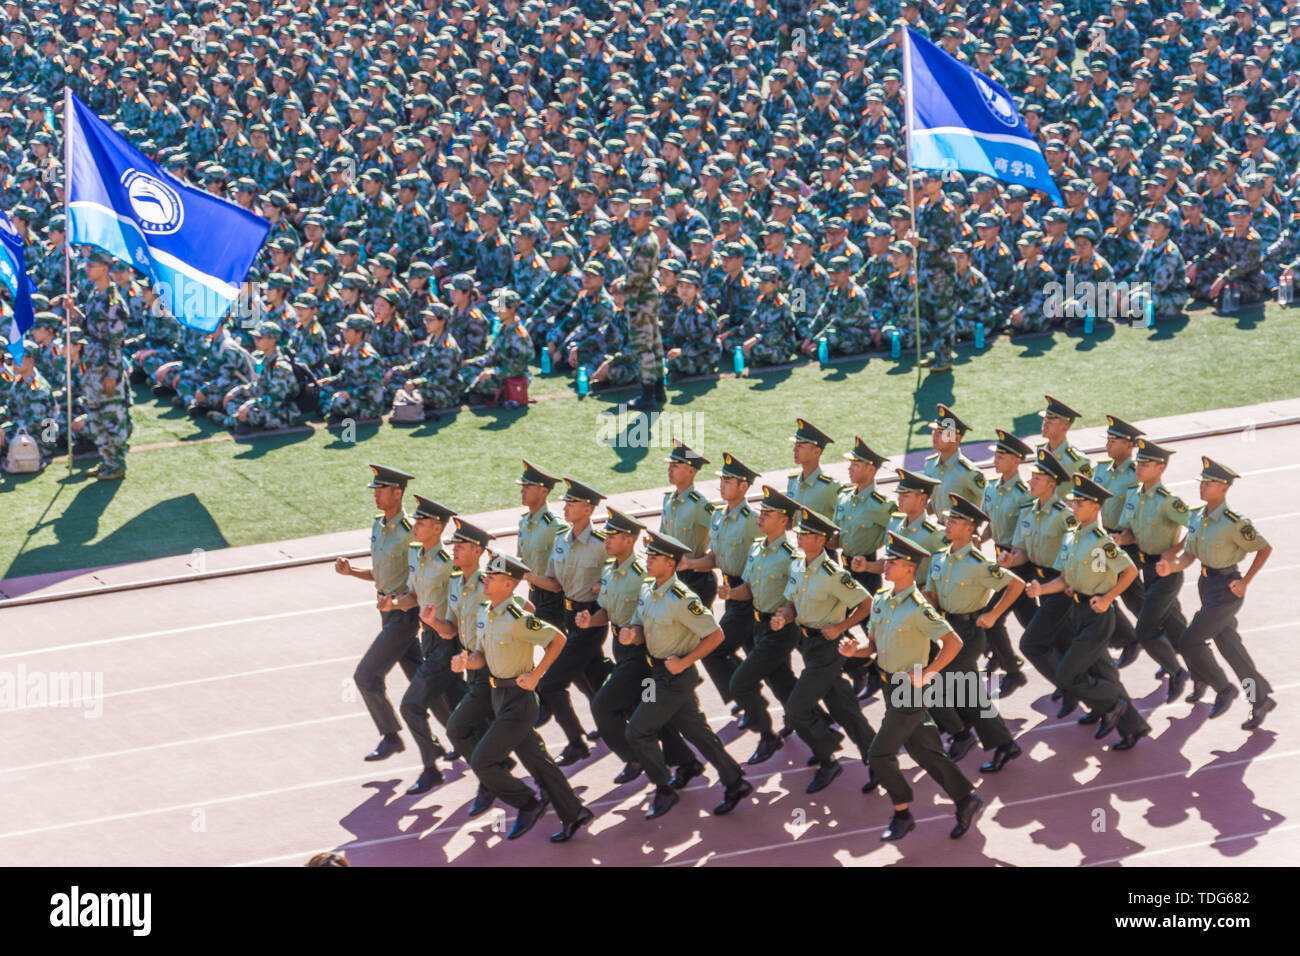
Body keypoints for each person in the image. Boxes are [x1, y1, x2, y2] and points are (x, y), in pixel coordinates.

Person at [839, 532, 984, 842]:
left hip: (910, 689)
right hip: (889, 686)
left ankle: (902, 813)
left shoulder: (920, 608)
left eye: (892, 562)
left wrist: (929, 672)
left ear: (909, 568)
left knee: (879, 754)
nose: (886, 565)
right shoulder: (880, 600)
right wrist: (856, 650)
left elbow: (953, 642)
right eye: (887, 560)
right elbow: (873, 645)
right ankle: (965, 799)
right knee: (925, 751)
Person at [455, 552, 595, 843]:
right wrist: (468, 662)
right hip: (498, 694)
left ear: (508, 584)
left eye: (493, 577)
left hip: (519, 699)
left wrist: (537, 674)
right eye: (487, 575)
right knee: (538, 761)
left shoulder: (517, 619)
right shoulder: (486, 610)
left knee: (482, 760)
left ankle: (528, 804)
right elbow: (482, 654)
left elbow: (557, 639)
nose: (486, 579)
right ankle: (574, 812)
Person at [619, 529, 754, 819]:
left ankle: (663, 788)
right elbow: (640, 624)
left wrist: (685, 661)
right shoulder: (647, 588)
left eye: (654, 557)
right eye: (648, 556)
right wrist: (632, 634)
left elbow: (715, 635)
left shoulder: (683, 598)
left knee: (637, 730)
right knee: (696, 731)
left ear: (670, 563)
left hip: (674, 678)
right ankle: (735, 781)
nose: (648, 561)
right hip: (652, 673)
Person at [1027, 474, 1153, 750]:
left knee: (1066, 674)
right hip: (1079, 611)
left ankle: (1114, 704)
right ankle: (1133, 728)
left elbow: (1130, 571)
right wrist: (1040, 590)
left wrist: (1108, 598)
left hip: (1098, 615)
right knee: (1104, 671)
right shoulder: (1071, 537)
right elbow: (1063, 580)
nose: (1074, 507)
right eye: (1074, 502)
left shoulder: (1101, 541)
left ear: (1095, 508)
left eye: (1080, 504)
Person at [1158, 457, 1276, 730]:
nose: (1203, 487)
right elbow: (1189, 554)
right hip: (1207, 585)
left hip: (1227, 589)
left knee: (1189, 640)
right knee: (1230, 647)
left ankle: (1222, 688)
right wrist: (1171, 567)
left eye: (1209, 484)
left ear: (1224, 488)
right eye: (1202, 483)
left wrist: (1245, 580)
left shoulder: (1234, 522)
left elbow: (1264, 548)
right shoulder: (1196, 516)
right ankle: (1260, 700)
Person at [588, 508, 701, 787]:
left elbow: (657, 610)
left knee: (604, 706)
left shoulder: (643, 573)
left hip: (641, 657)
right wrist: (591, 620)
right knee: (646, 708)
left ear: (629, 540)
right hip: (622, 647)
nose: (606, 540)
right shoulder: (609, 568)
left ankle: (635, 758)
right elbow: (609, 610)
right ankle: (687, 762)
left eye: (612, 536)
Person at [769, 506, 878, 794]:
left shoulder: (833, 573)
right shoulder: (797, 563)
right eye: (799, 532)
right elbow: (792, 601)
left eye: (805, 534)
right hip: (807, 642)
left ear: (821, 539)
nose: (799, 537)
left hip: (828, 646)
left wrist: (842, 626)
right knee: (844, 706)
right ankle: (879, 760)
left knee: (796, 709)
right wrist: (784, 616)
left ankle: (828, 759)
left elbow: (867, 603)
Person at [924, 494, 1024, 773]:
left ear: (970, 529)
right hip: (945, 629)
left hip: (967, 633)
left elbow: (1015, 584)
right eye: (948, 519)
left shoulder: (977, 563)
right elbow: (931, 595)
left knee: (938, 682)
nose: (948, 524)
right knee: (965, 690)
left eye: (955, 521)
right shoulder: (939, 558)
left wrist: (992, 614)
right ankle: (999, 743)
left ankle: (962, 733)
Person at [334, 464, 421, 761]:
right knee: (424, 680)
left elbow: (420, 582)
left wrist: (397, 604)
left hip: (404, 615)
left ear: (398, 493)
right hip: (387, 613)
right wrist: (351, 572)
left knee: (366, 675)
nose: (376, 496)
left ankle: (391, 736)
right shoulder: (378, 525)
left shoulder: (411, 532)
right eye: (375, 490)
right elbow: (381, 574)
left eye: (381, 490)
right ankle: (462, 737)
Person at [526, 476, 612, 765]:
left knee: (551, 682)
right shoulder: (561, 540)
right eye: (566, 501)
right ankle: (616, 715)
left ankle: (577, 742)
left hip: (591, 619)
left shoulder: (601, 544)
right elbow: (552, 584)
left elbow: (621, 573)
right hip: (569, 615)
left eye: (572, 503)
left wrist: (605, 584)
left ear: (588, 509)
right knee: (587, 673)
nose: (565, 506)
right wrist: (521, 575)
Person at [1112, 438, 1191, 703]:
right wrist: (1122, 539)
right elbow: (1131, 531)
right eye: (1138, 462)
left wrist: (1175, 551)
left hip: (1166, 569)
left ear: (1160, 468)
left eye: (1145, 463)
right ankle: (1200, 670)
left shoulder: (1169, 501)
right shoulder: (1134, 495)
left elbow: (1197, 528)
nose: (1139, 467)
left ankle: (1177, 671)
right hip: (1146, 566)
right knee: (1173, 622)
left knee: (1147, 626)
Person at [729, 486, 804, 765]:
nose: (760, 517)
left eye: (767, 514)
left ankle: (768, 735)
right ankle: (809, 723)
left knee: (741, 683)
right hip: (758, 625)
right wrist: (731, 593)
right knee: (780, 679)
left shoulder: (790, 556)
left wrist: (783, 616)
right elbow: (747, 589)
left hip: (779, 628)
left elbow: (796, 597)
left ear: (783, 520)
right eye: (761, 512)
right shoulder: (757, 548)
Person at [396, 495, 463, 796]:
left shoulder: (447, 565)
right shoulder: (415, 554)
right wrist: (396, 602)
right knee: (453, 703)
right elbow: (414, 595)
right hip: (429, 637)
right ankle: (489, 755)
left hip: (447, 641)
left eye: (421, 522)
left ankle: (431, 768)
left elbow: (463, 607)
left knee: (411, 705)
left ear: (437, 528)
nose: (414, 525)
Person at [682, 452, 760, 707]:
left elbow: (768, 556)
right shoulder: (718, 516)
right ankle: (748, 691)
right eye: (722, 479)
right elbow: (715, 557)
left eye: (729, 480)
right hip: (729, 591)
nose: (722, 484)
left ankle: (748, 698)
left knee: (714, 650)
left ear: (744, 486)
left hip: (749, 593)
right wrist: (690, 563)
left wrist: (743, 590)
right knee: (755, 656)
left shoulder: (753, 522)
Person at [437, 517, 499, 817]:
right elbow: (450, 628)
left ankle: (491, 782)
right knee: (488, 726)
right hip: (471, 664)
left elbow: (523, 611)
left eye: (460, 547)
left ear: (477, 551)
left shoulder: (491, 583)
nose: (454, 551)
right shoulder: (454, 581)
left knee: (459, 728)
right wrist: (431, 622)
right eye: (454, 546)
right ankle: (501, 771)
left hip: (492, 666)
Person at [833, 436, 894, 696]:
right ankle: (862, 667)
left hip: (866, 574)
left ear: (871, 469)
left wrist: (871, 566)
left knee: (874, 630)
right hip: (843, 571)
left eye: (856, 464)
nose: (850, 468)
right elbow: (840, 537)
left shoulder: (882, 506)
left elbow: (897, 542)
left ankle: (884, 674)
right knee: (831, 622)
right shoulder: (845, 497)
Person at [980, 429, 1035, 697]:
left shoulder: (1025, 493)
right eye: (996, 454)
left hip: (1018, 562)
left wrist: (1012, 556)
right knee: (1033, 624)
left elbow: (1025, 532)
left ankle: (1012, 670)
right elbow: (992, 521)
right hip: (1002, 560)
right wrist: (980, 540)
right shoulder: (991, 487)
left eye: (1002, 455)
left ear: (1017, 460)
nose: (996, 459)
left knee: (991, 618)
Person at [69, 247, 131, 481]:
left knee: (112, 417)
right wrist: (73, 310)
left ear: (104, 269)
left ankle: (117, 463)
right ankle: (106, 460)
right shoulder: (96, 296)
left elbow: (115, 343)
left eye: (91, 266)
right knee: (96, 415)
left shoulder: (114, 302)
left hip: (106, 367)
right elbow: (90, 328)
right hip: (93, 366)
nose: (87, 269)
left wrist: (112, 374)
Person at [515, 459, 565, 628]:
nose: (522, 491)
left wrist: (527, 576)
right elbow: (521, 561)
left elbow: (559, 582)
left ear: (543, 491)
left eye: (527, 487)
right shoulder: (524, 522)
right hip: (534, 593)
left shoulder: (555, 526)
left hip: (555, 599)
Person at [922, 404, 987, 515]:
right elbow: (934, 503)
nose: (934, 436)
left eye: (941, 432)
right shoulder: (930, 464)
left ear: (956, 438)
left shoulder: (968, 473)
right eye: (934, 431)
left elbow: (991, 502)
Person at [786, 417, 842, 530]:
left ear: (816, 452)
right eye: (795, 445)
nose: (794, 450)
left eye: (800, 446)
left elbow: (846, 519)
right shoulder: (793, 482)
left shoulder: (830, 486)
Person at [1038, 394, 1093, 502]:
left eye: (1049, 422)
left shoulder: (1077, 460)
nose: (1044, 425)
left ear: (1065, 426)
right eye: (1044, 420)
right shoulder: (1041, 452)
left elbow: (1090, 492)